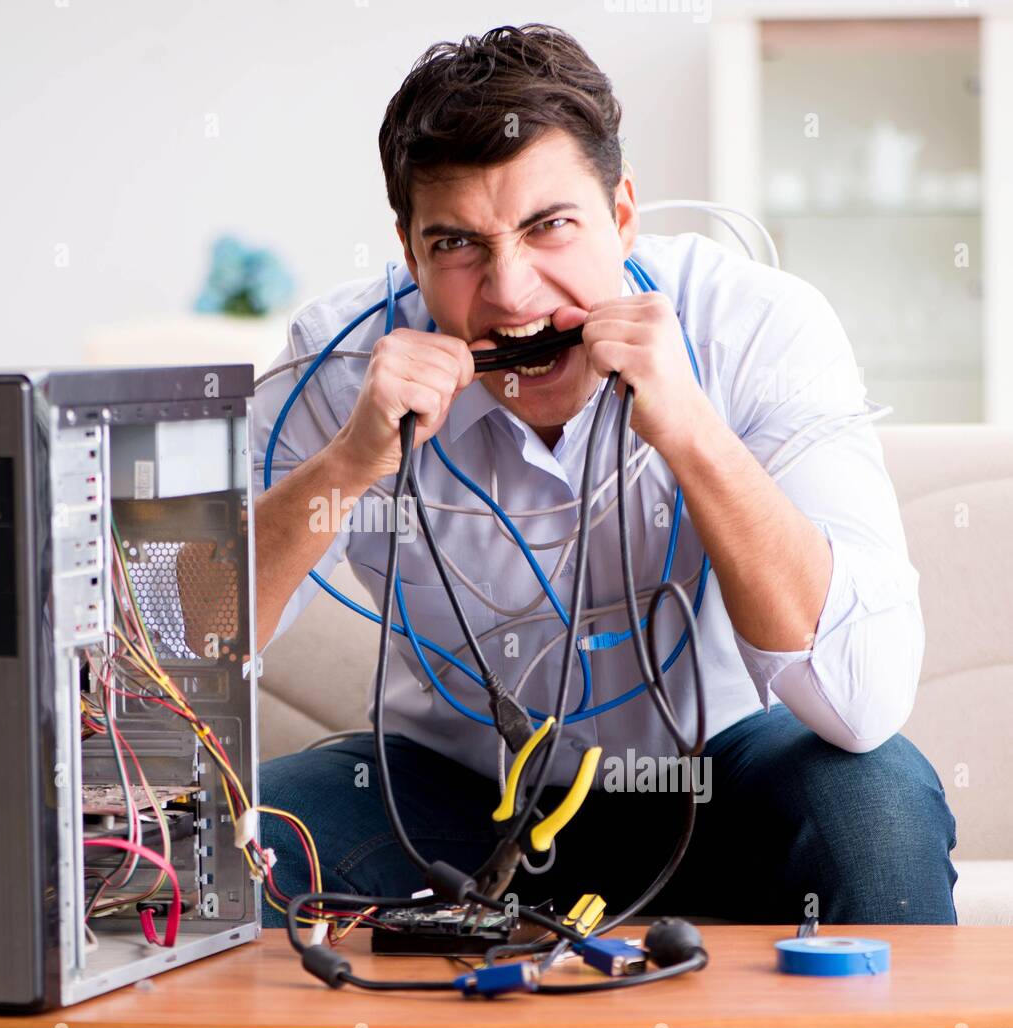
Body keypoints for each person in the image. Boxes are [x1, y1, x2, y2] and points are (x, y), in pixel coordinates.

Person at [251, 24, 957, 931]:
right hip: (454, 804)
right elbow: (174, 664)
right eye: (459, 244)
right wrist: (350, 464)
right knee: (233, 843)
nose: (509, 292)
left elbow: (862, 704)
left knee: (876, 800)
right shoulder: (338, 366)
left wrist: (696, 434)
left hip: (721, 783)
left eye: (550, 226)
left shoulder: (757, 329)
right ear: (408, 249)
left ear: (623, 213)